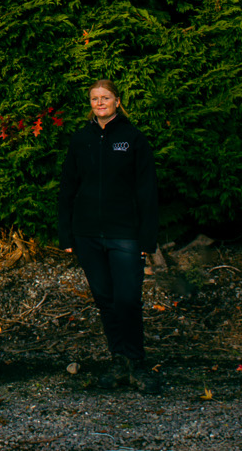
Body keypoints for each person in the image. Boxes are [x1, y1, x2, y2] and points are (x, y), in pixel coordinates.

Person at [56, 79, 160, 391]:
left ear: (117, 101)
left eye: (105, 98)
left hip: (124, 234)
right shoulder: (81, 140)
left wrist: (147, 239)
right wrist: (67, 236)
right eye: (94, 99)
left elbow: (147, 191)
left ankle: (135, 362)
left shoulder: (132, 139)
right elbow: (67, 190)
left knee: (127, 298)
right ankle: (118, 361)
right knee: (105, 298)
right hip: (87, 235)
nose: (100, 103)